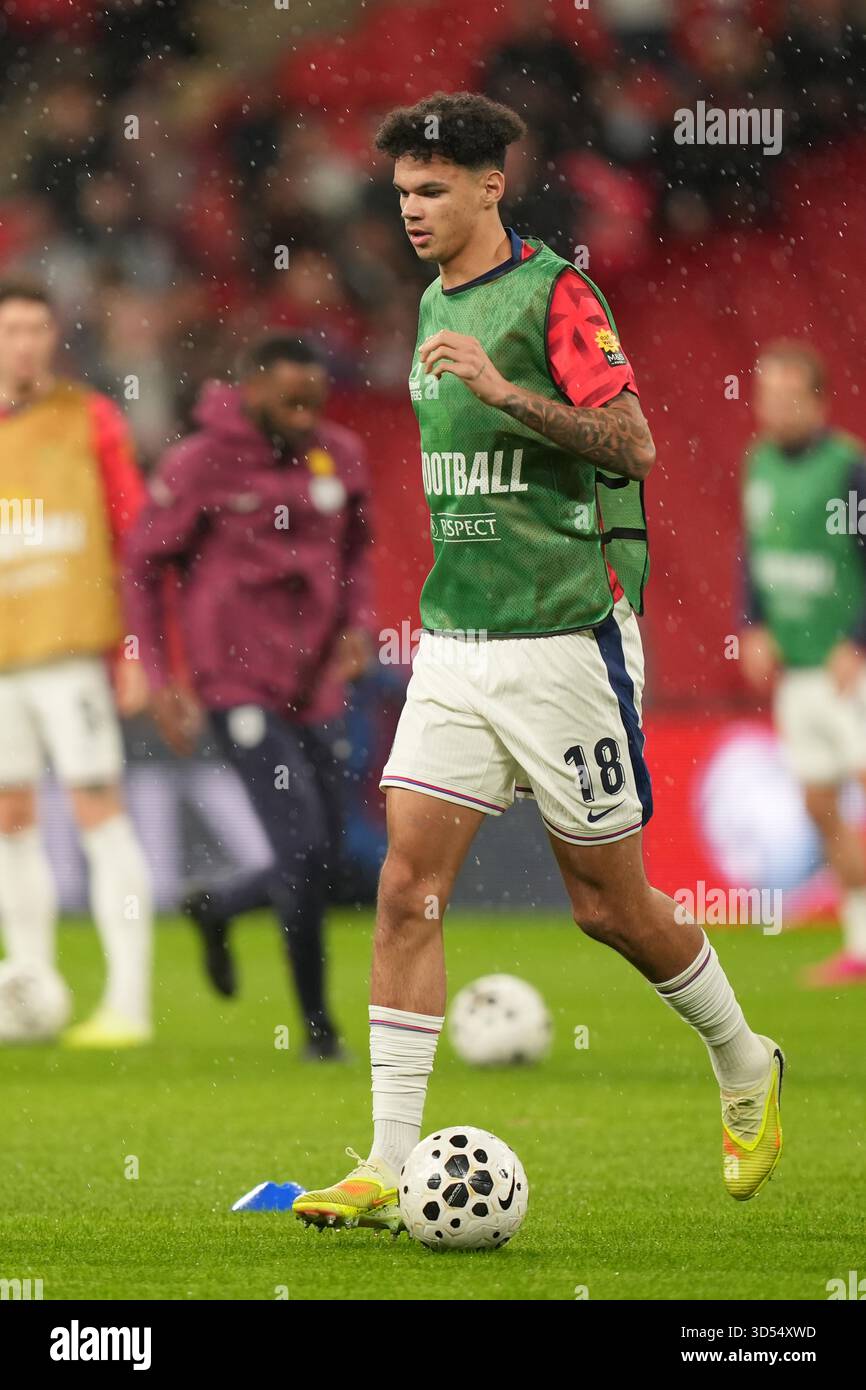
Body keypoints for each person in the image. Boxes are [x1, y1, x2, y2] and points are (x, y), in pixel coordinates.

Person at [293, 91, 784, 1231]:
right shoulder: (426, 306)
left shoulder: (554, 293)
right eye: (401, 190)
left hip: (564, 636)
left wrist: (510, 396)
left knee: (608, 909)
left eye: (431, 189)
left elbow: (634, 439)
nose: (410, 209)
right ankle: (381, 1160)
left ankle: (742, 1056)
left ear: (487, 186)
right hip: (455, 644)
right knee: (406, 889)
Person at [124, 334, 376, 1061]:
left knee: (329, 857)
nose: (306, 417)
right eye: (291, 401)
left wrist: (360, 624)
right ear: (255, 389)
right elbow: (143, 566)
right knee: (298, 846)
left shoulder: (341, 455)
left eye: (315, 401)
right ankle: (319, 1030)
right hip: (235, 682)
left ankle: (219, 906)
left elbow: (359, 549)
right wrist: (158, 672)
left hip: (319, 681)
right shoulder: (201, 461)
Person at [0, 279, 153, 1047]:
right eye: (11, 329)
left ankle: (128, 1001)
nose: (23, 342)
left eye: (35, 328)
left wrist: (133, 647)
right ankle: (27, 990)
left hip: (70, 652)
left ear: (53, 336)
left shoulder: (88, 417)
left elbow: (134, 536)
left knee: (97, 808)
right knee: (10, 817)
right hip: (2, 659)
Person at [740, 340, 866, 987]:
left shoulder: (849, 468)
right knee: (821, 804)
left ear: (818, 401)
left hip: (851, 667)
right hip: (799, 671)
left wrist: (857, 637)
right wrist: (753, 625)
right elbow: (754, 554)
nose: (777, 409)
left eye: (791, 398)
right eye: (769, 397)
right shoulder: (758, 465)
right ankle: (861, 944)